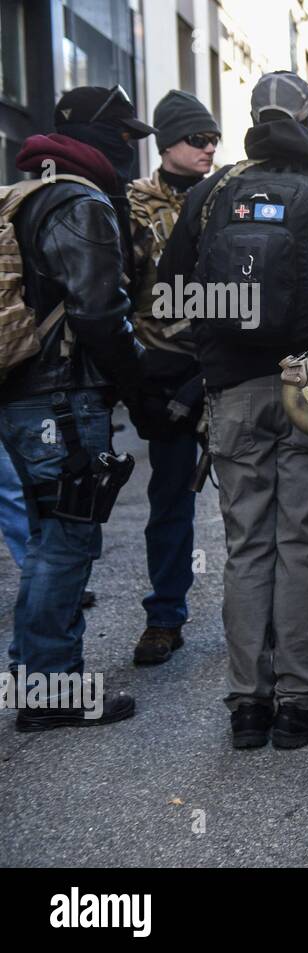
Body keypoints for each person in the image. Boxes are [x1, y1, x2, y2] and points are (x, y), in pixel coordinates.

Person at [157, 71, 308, 750]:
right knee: (302, 546)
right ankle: (301, 701)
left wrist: (213, 354)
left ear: (252, 119)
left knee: (246, 546)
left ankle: (248, 705)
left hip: (235, 392)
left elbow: (169, 294)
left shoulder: (212, 194)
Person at [0, 85, 152, 729]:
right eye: (124, 135)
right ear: (96, 134)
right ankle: (51, 688)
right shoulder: (78, 201)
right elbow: (98, 312)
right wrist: (143, 386)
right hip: (60, 396)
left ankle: (36, 676)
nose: (129, 149)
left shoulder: (23, 194)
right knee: (69, 538)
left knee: (47, 537)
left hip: (24, 395)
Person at [125, 89, 220, 666]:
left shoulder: (227, 196)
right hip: (167, 371)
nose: (209, 148)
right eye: (197, 139)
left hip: (226, 365)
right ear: (166, 144)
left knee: (252, 499)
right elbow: (119, 290)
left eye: (214, 139)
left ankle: (262, 622)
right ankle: (164, 616)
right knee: (170, 500)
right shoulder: (133, 206)